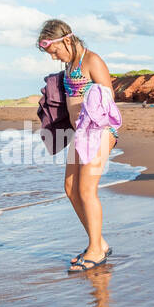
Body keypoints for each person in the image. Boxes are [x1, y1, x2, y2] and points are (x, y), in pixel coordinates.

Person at [37, 19, 122, 272]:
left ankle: (95, 250)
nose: (54, 57)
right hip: (80, 133)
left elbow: (108, 99)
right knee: (70, 187)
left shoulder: (92, 61)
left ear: (66, 40)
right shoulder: (69, 65)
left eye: (54, 51)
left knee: (86, 189)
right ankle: (99, 243)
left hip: (99, 131)